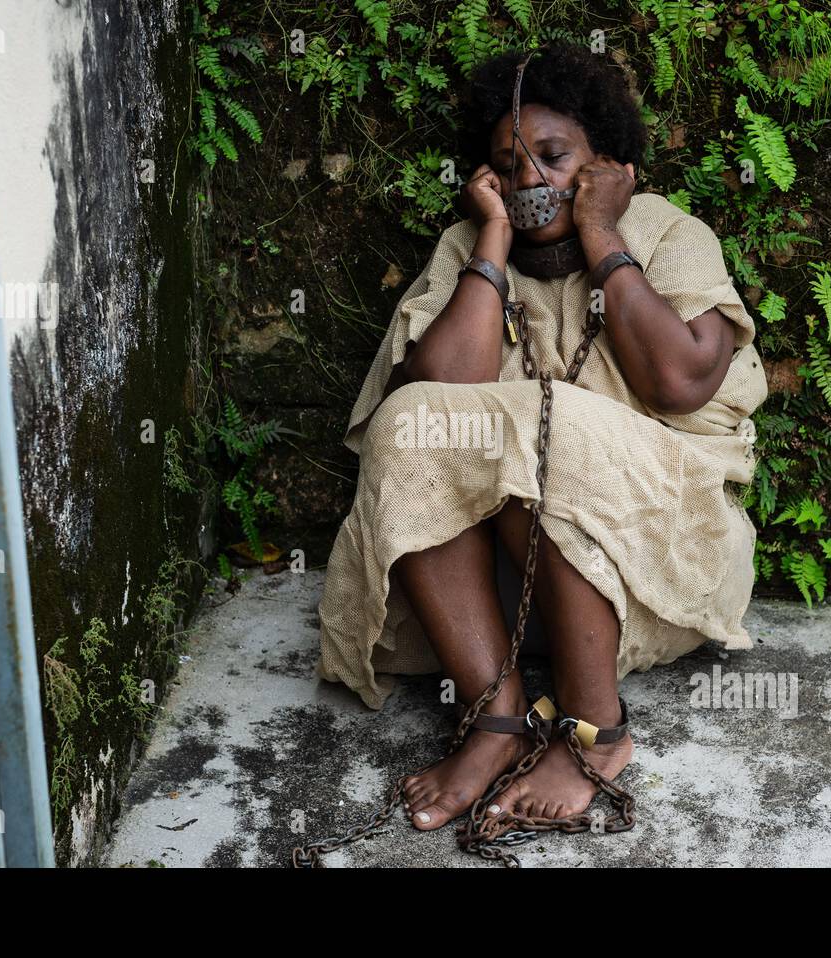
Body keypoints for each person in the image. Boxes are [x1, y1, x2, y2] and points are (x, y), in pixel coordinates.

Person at [315, 42, 769, 835]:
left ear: (606, 161)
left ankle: (599, 732)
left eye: (553, 158)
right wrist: (489, 244)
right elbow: (433, 400)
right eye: (508, 167)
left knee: (543, 422)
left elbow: (681, 380)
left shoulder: (670, 234)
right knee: (415, 419)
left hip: (661, 565)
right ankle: (496, 720)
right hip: (507, 602)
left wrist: (601, 232)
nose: (530, 181)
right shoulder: (468, 245)